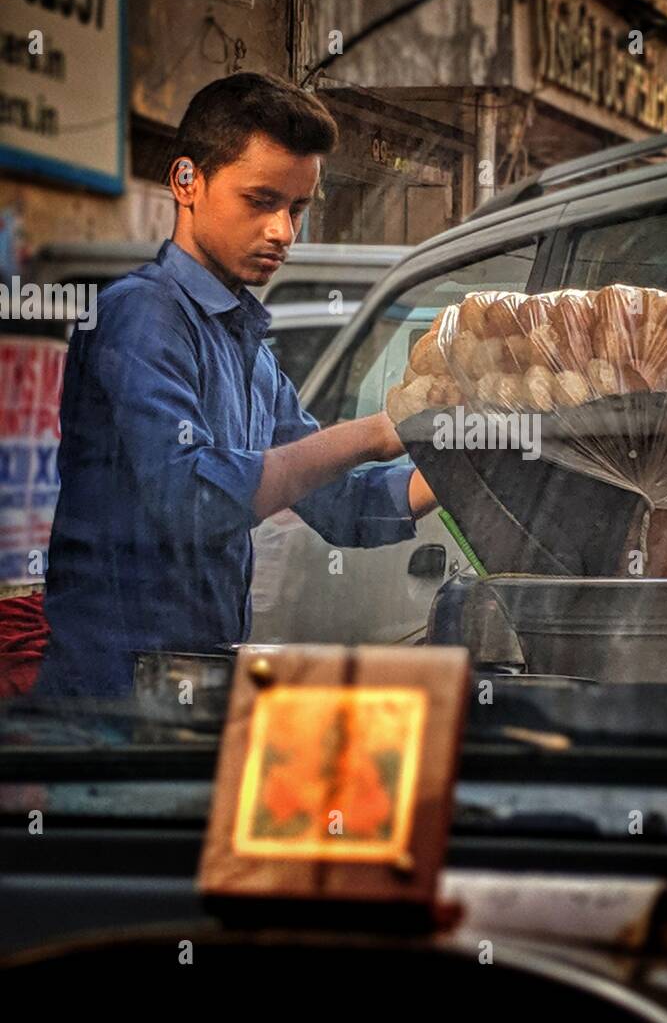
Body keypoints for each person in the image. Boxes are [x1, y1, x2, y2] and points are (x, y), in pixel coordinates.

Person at [34, 72, 436, 699]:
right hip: (111, 702)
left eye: (297, 208)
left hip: (193, 689)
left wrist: (459, 461)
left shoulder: (244, 345)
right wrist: (371, 433)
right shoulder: (141, 315)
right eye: (261, 201)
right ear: (185, 181)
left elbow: (341, 504)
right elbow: (192, 497)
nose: (283, 231)